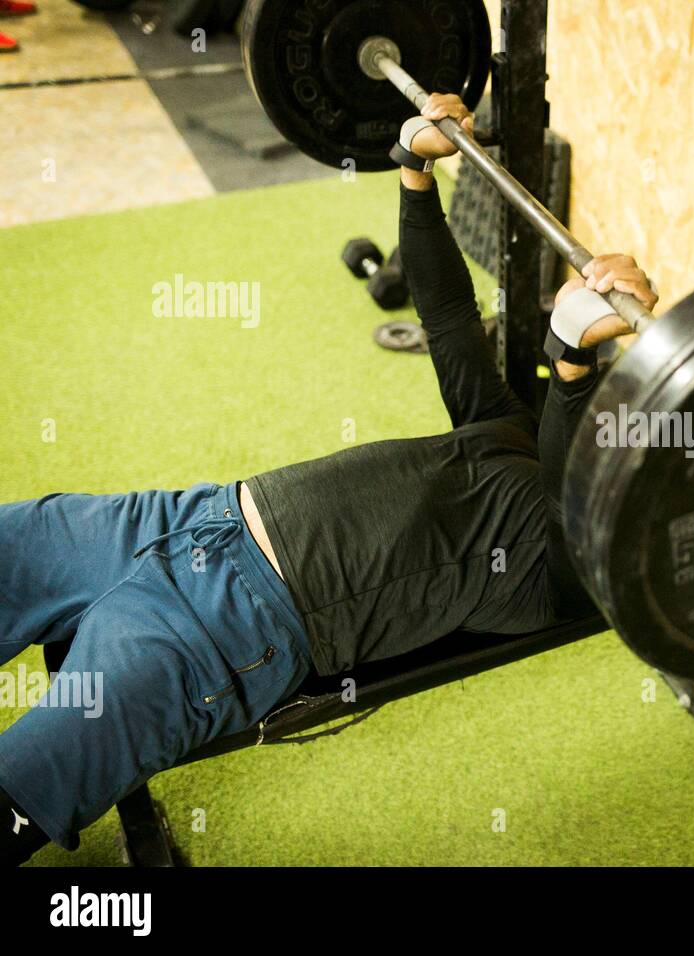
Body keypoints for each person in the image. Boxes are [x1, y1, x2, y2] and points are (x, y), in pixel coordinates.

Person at [0, 93, 655, 864]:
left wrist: (575, 363)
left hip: (220, 635)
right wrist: (415, 171)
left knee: (20, 783)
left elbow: (568, 498)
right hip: (186, 521)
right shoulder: (507, 432)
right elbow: (447, 317)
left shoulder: (567, 569)